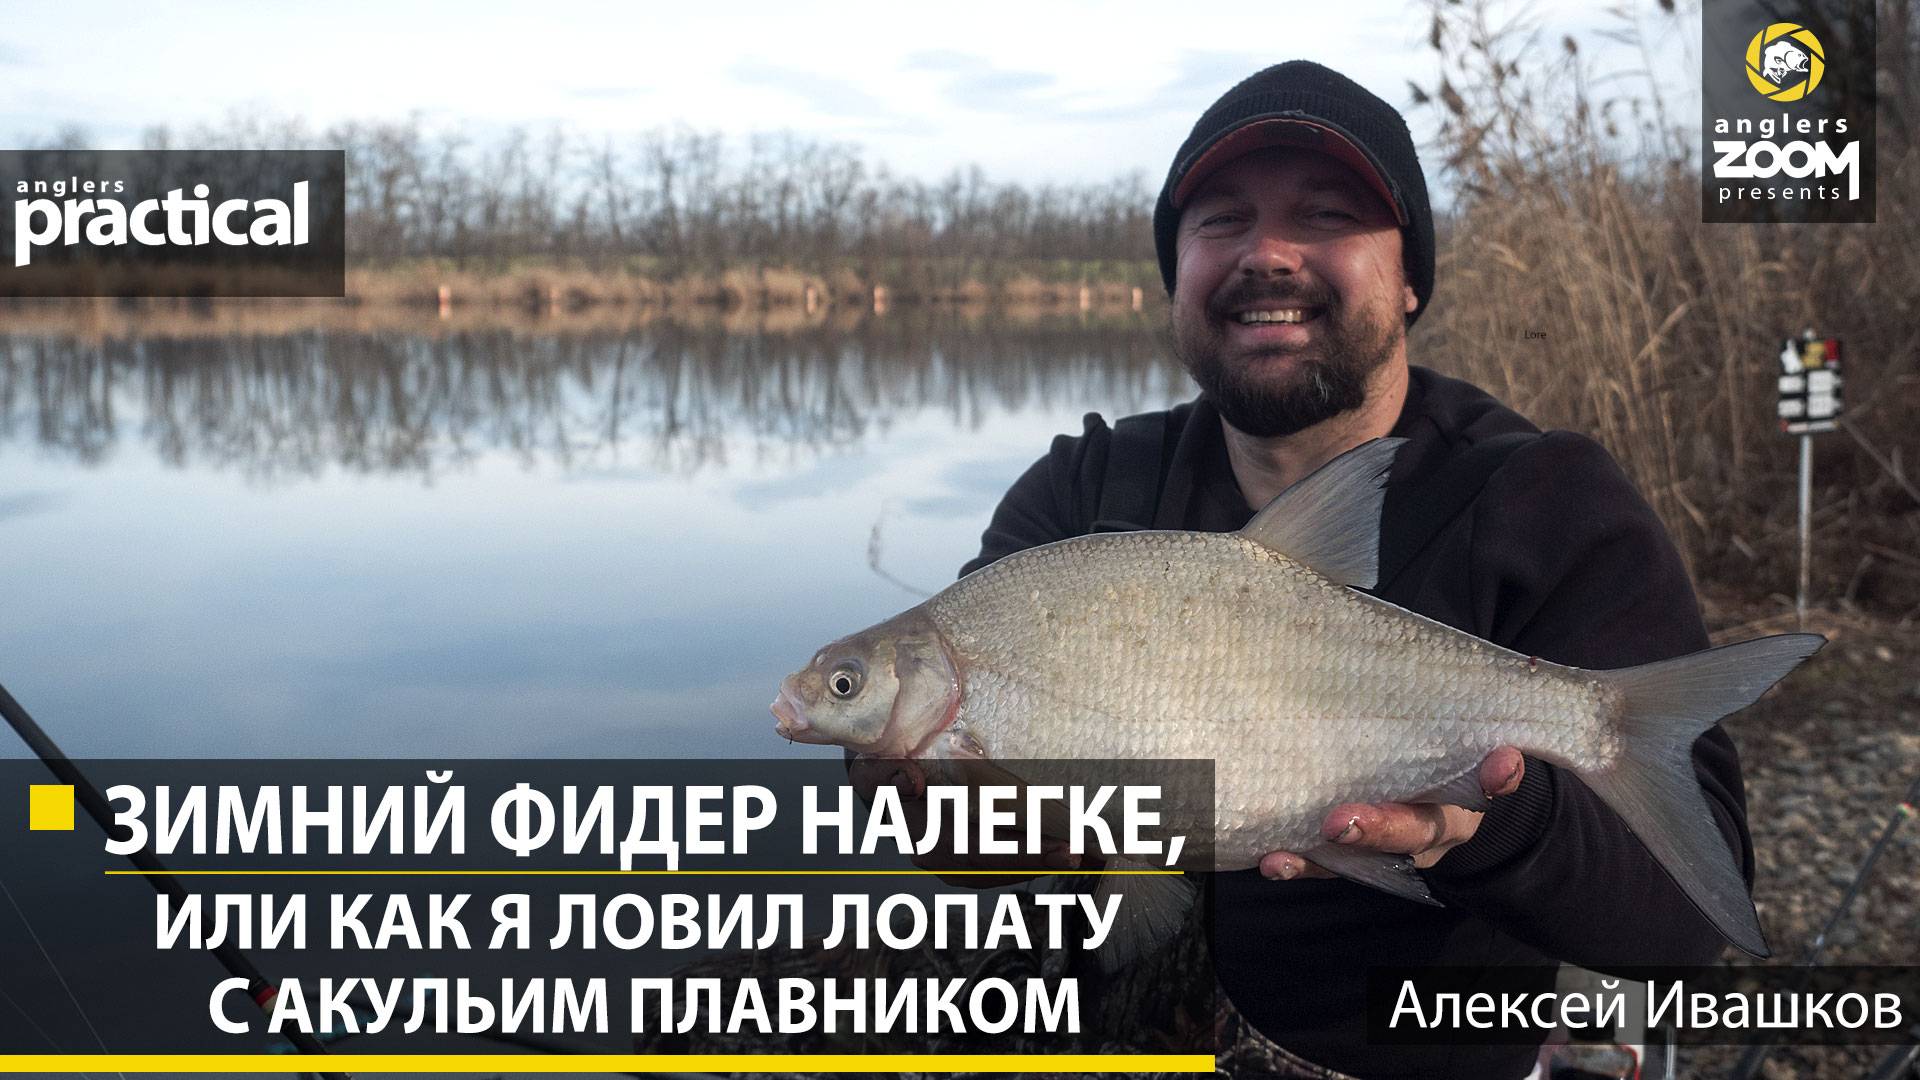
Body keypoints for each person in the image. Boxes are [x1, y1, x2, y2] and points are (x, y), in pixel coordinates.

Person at [957, 61, 1755, 1080]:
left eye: (1328, 215)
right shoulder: (1082, 492)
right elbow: (936, 807)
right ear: (1176, 277)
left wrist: (1489, 822)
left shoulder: (1544, 500)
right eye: (1221, 221)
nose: (1268, 254)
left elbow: (1686, 931)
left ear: (1412, 276)